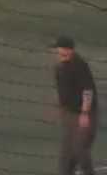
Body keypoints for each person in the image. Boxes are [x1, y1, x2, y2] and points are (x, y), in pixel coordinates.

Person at [52, 36, 97, 175]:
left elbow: (87, 90)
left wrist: (84, 113)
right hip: (69, 113)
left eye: (58, 49)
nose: (56, 52)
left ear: (67, 49)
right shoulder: (60, 66)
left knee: (79, 149)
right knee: (66, 155)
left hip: (85, 112)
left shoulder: (78, 65)